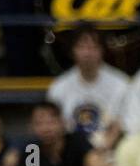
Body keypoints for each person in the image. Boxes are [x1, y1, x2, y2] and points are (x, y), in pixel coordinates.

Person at [47, 25, 130, 155]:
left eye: (93, 47)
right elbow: (56, 128)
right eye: (82, 47)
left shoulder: (121, 84)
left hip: (111, 151)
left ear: (102, 51)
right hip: (72, 154)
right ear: (72, 51)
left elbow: (122, 125)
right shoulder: (58, 87)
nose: (87, 53)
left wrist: (103, 149)